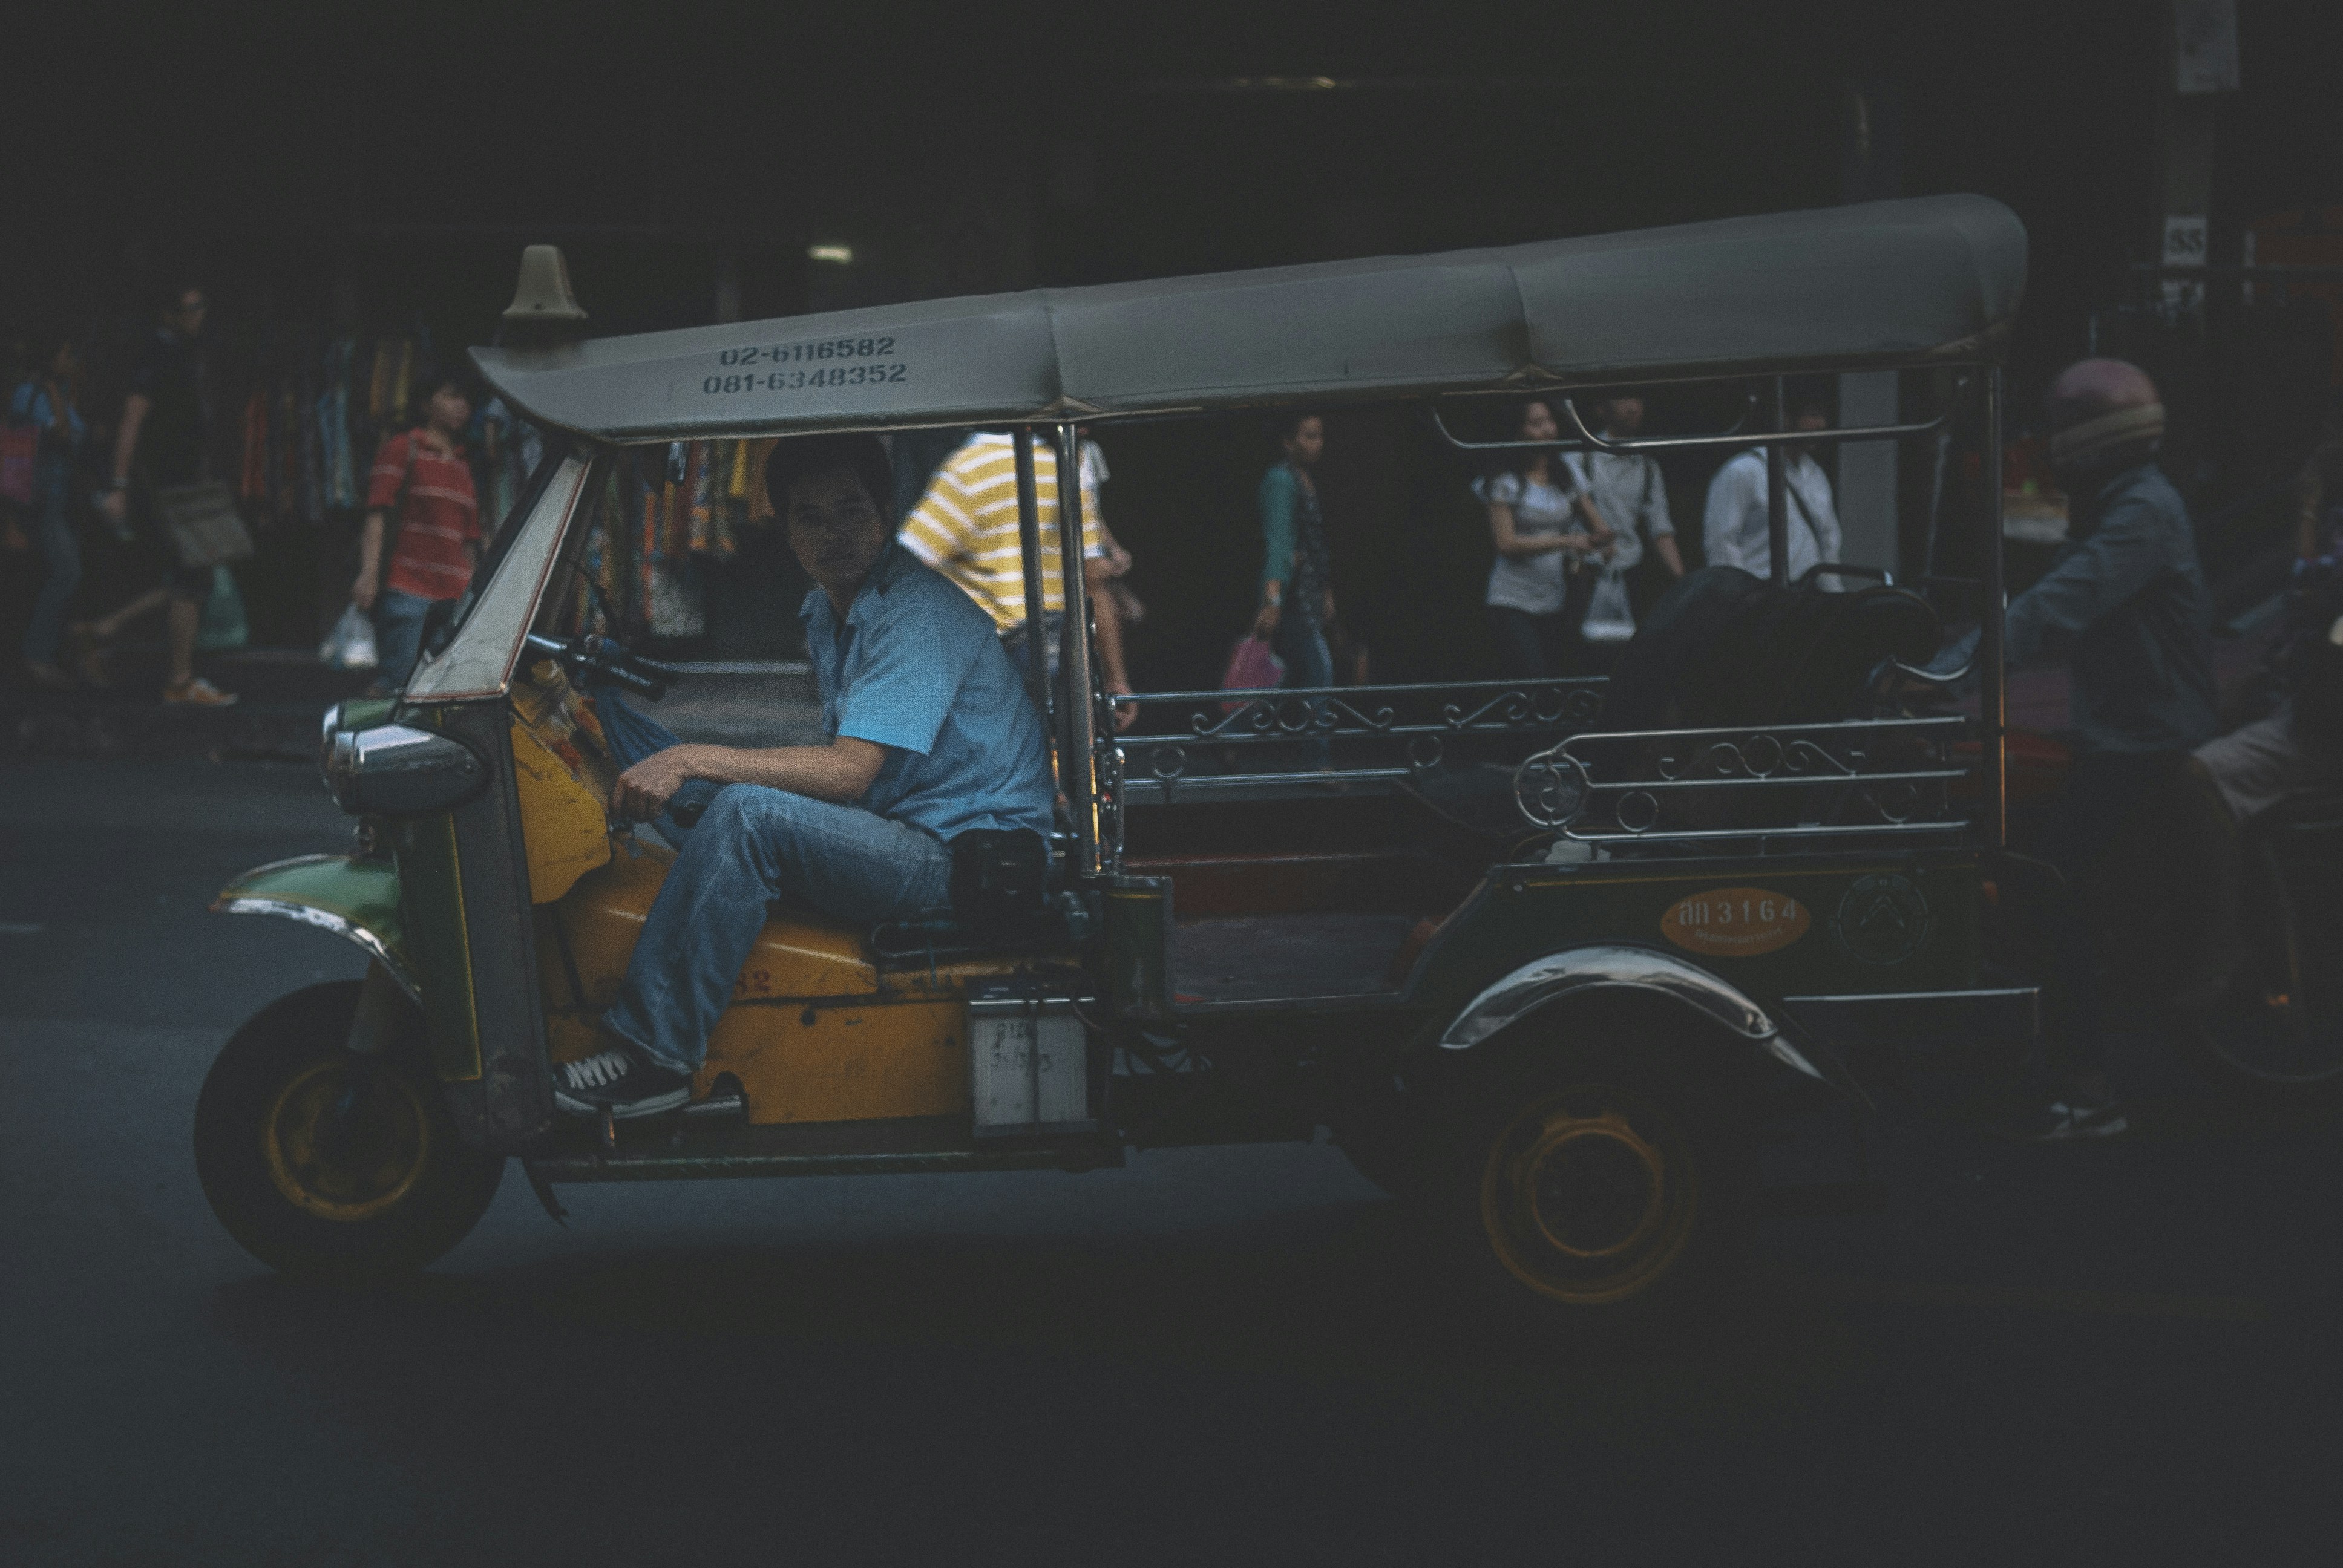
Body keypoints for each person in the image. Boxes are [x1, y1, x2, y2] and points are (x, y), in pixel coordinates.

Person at [551, 434, 1056, 1117]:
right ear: (785, 530)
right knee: (680, 776)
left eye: (850, 510)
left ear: (884, 512)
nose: (833, 534)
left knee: (743, 813)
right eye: (810, 517)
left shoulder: (915, 613)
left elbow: (849, 773)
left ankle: (653, 1057)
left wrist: (689, 758)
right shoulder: (827, 610)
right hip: (898, 830)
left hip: (960, 859)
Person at [1981, 359, 2219, 1139]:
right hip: (2116, 727)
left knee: (2046, 882)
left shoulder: (2139, 512)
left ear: (2088, 436)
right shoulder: (2115, 503)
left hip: (2145, 737)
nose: (2048, 447)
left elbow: (2063, 602)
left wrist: (1962, 662)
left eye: (2057, 431)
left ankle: (2088, 1091)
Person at [898, 428, 1135, 728]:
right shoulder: (1062, 467)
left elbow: (912, 565)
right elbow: (1093, 582)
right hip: (1061, 652)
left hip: (989, 660)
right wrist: (1117, 680)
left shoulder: (968, 469)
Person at [72, 281, 237, 705]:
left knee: (192, 576)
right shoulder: (159, 353)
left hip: (181, 484)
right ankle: (178, 681)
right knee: (192, 574)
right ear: (169, 314)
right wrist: (120, 486)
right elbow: (132, 419)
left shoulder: (180, 353)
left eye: (202, 306)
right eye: (190, 308)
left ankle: (103, 631)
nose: (199, 315)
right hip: (164, 486)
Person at [351, 367, 481, 694]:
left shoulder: (464, 464)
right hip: (408, 595)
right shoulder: (403, 448)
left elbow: (469, 541)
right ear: (426, 404)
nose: (461, 406)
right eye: (452, 396)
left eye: (466, 399)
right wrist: (368, 575)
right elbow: (377, 513)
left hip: (456, 602)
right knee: (403, 692)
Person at [1476, 399, 1616, 678]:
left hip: (1556, 597)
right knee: (1531, 675)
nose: (1548, 429)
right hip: (1511, 599)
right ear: (1518, 432)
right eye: (1536, 423)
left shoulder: (1566, 473)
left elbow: (1598, 525)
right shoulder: (1504, 481)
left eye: (1550, 421)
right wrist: (1566, 541)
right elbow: (1505, 543)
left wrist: (1602, 540)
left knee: (1559, 673)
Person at [9, 331, 87, 688]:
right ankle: (36, 655)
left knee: (63, 571)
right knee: (66, 571)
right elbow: (62, 437)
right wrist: (57, 394)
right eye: (67, 354)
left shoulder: (59, 394)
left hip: (59, 498)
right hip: (39, 501)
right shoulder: (32, 393)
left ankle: (52, 650)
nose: (72, 362)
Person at [1702, 392, 1841, 586]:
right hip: (1760, 595)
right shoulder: (1744, 471)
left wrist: (1833, 596)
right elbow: (1721, 542)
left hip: (1807, 594)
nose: (1821, 424)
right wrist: (1738, 597)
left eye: (1822, 416)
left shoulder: (1815, 475)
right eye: (1812, 415)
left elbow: (1829, 543)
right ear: (1785, 417)